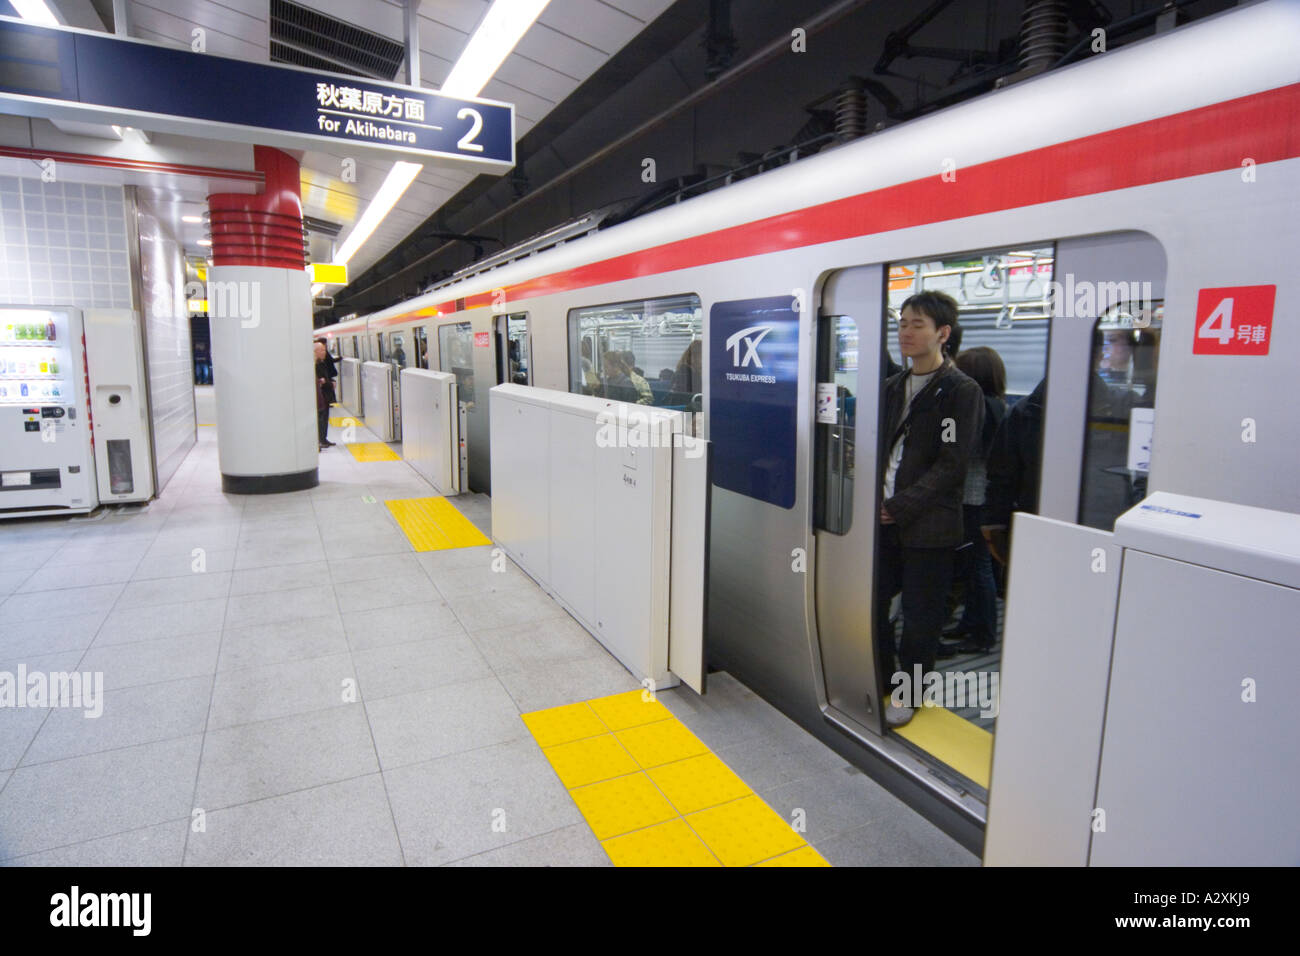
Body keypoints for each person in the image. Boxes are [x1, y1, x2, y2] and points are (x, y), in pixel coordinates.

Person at [876, 291, 983, 728]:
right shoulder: (891, 387)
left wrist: (899, 506)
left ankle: (910, 693)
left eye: (917, 324)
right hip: (880, 518)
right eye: (902, 322)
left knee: (921, 617)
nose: (905, 331)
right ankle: (882, 676)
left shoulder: (958, 392)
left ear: (943, 333)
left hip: (927, 526)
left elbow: (951, 464)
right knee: (873, 603)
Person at [939, 346, 1008, 656]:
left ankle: (982, 633)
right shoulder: (998, 405)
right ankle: (971, 622)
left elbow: (967, 452)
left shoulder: (980, 407)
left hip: (972, 496)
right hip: (981, 495)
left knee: (977, 566)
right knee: (975, 565)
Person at [981, 377, 1045, 564]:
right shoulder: (1008, 408)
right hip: (1004, 507)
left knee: (979, 564)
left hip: (975, 494)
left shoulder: (1023, 411)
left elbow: (952, 441)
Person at [314, 339, 337, 449]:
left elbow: (324, 380)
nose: (324, 352)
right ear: (315, 352)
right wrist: (329, 383)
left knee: (324, 419)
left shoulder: (321, 363)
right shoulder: (316, 365)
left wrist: (328, 381)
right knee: (321, 419)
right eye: (322, 350)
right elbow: (320, 381)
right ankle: (321, 440)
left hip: (325, 396)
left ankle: (324, 439)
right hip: (322, 397)